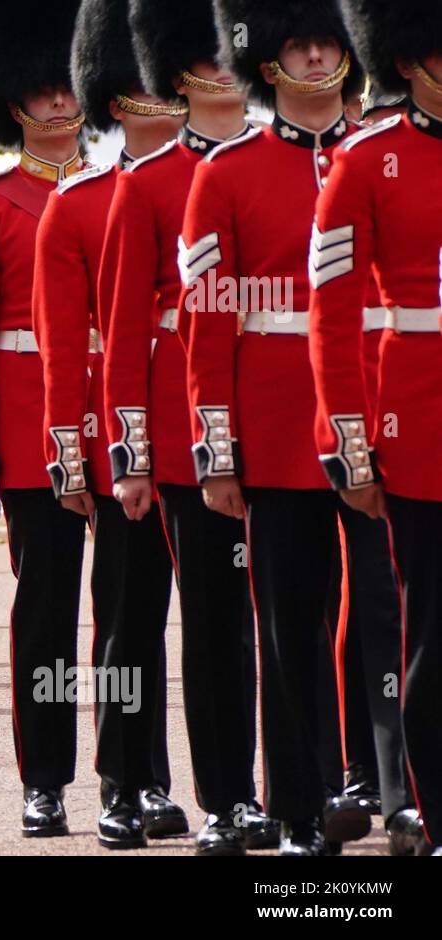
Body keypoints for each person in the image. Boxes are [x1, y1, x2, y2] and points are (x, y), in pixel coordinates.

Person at [182, 0, 378, 855]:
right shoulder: (225, 172)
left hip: (381, 421)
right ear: (267, 62)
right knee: (288, 623)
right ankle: (299, 806)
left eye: (326, 42)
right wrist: (217, 453)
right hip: (275, 429)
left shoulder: (382, 157)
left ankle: (394, 787)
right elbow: (206, 324)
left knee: (391, 617)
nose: (312, 56)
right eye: (297, 43)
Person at [103, 0, 276, 854]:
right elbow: (127, 327)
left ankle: (304, 784)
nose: (219, 63)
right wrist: (131, 455)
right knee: (211, 623)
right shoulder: (148, 184)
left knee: (287, 623)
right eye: (201, 54)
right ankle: (227, 796)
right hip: (185, 433)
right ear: (178, 76)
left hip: (285, 427)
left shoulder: (292, 163)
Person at [35, 0, 188, 849]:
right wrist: (72, 459)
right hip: (123, 440)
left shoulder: (215, 177)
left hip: (212, 428)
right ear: (119, 99)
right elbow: (65, 349)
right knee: (129, 620)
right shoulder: (80, 202)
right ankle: (129, 783)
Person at [0, 0, 89, 839]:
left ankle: (136, 775)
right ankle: (46, 779)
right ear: (13, 107)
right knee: (45, 618)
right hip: (32, 440)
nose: (61, 105)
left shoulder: (119, 190)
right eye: (42, 94)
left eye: (68, 87)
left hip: (117, 428)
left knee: (132, 613)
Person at [309, 0, 439, 856]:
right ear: (407, 61)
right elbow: (332, 311)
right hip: (420, 415)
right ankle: (427, 801)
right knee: (429, 623)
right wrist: (351, 442)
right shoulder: (368, 160)